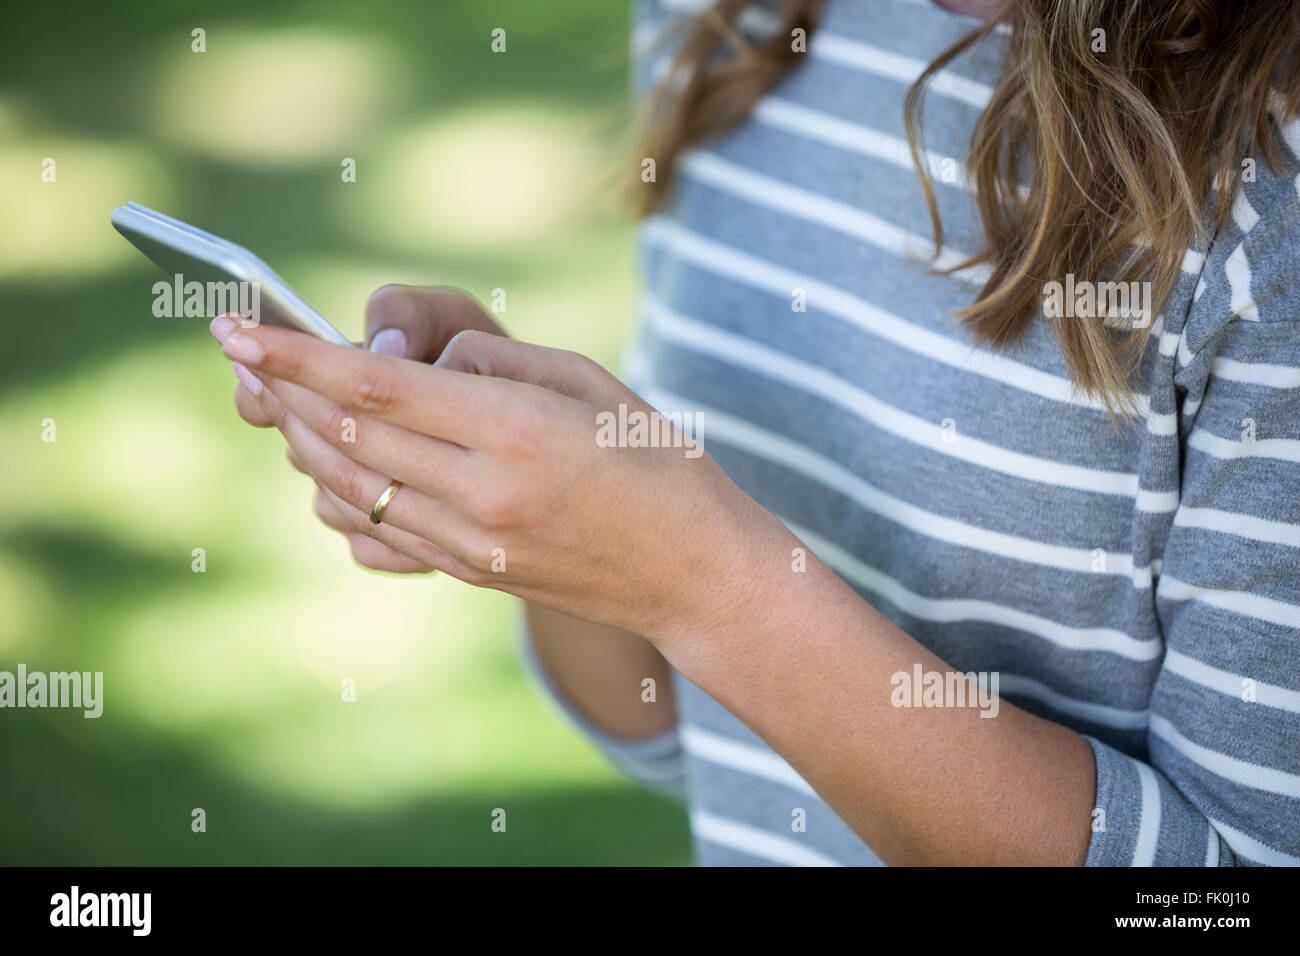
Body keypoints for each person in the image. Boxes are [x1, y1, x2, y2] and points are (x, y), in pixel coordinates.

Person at [214, 0, 1300, 865]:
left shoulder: (1270, 186)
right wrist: (522, 506)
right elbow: (685, 732)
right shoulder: (729, 27)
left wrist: (707, 581)